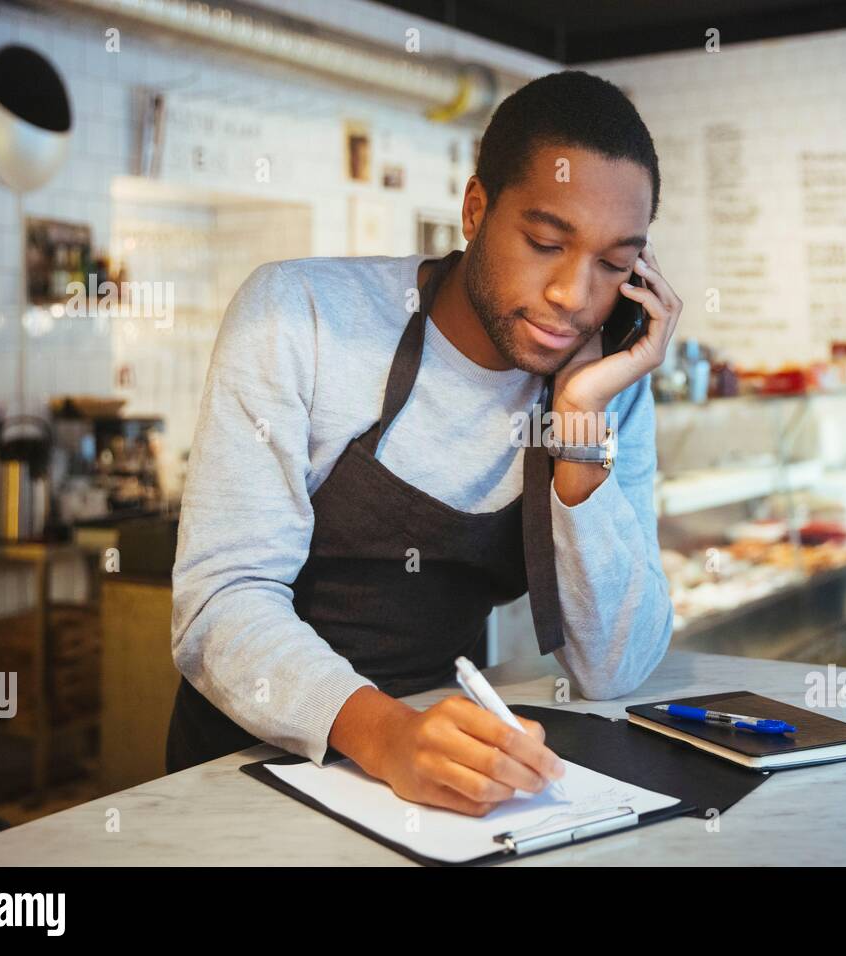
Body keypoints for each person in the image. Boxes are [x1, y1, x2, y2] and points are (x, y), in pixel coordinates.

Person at [167, 70, 683, 816]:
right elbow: (219, 602)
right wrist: (389, 737)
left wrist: (577, 422)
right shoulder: (299, 314)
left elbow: (612, 666)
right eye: (546, 242)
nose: (575, 295)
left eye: (612, 264)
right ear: (475, 210)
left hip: (439, 776)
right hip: (247, 771)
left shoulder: (604, 383)